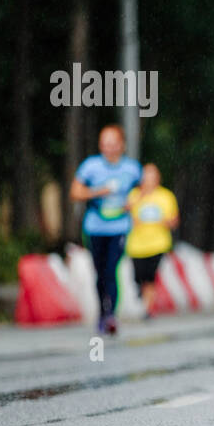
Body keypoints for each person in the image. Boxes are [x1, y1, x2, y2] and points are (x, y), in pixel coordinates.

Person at [70, 124, 142, 335]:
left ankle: (111, 314)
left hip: (119, 227)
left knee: (112, 269)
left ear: (122, 145)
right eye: (105, 144)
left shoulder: (132, 168)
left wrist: (133, 202)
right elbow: (75, 192)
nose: (109, 148)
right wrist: (97, 192)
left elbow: (143, 190)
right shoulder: (91, 167)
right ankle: (102, 312)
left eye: (113, 143)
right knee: (100, 272)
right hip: (95, 227)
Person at [126, 163, 179, 318]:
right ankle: (141, 297)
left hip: (158, 244)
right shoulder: (134, 195)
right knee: (138, 276)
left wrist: (162, 221)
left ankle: (147, 309)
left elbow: (174, 221)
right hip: (136, 245)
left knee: (150, 276)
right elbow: (125, 213)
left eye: (152, 177)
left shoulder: (166, 196)